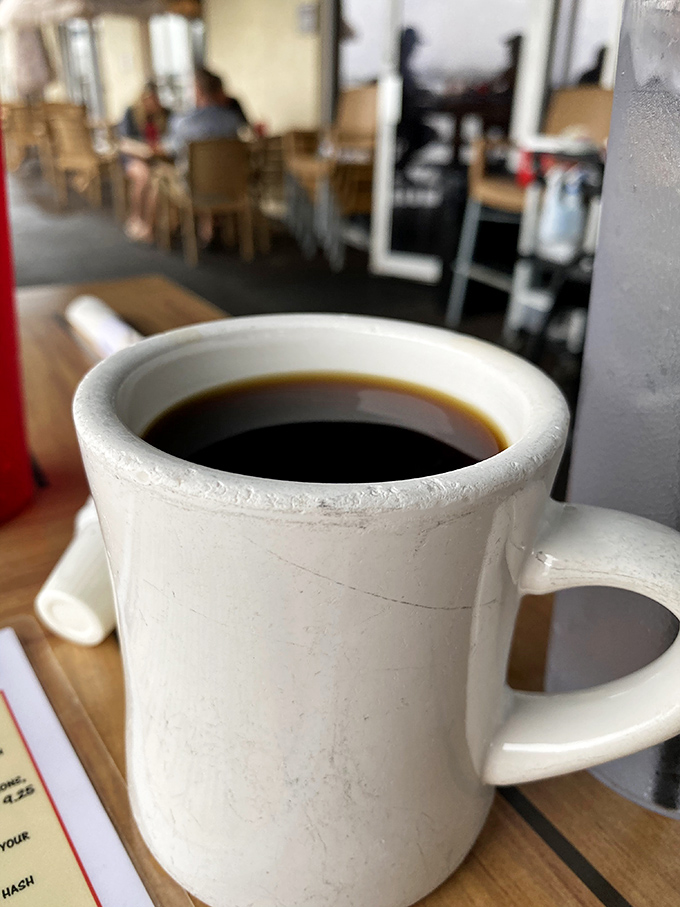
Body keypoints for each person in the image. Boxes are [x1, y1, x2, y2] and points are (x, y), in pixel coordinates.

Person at [118, 81, 170, 242]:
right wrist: (143, 150)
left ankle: (149, 224)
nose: (153, 103)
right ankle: (135, 218)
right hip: (133, 157)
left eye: (156, 99)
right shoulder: (131, 113)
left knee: (157, 180)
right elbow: (124, 142)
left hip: (158, 158)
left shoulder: (166, 113)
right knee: (143, 176)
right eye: (149, 99)